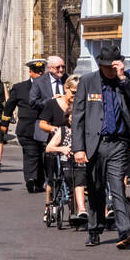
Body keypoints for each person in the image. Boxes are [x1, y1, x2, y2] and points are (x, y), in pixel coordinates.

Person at [72, 47, 130, 249]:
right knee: (96, 189)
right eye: (109, 66)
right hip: (94, 144)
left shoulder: (124, 82)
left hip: (118, 143)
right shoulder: (88, 82)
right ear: (101, 65)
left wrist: (123, 78)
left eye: (115, 65)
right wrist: (78, 148)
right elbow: (78, 116)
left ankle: (125, 232)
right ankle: (95, 230)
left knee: (118, 188)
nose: (112, 69)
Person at [44, 75, 88, 226]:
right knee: (57, 178)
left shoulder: (84, 128)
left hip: (81, 163)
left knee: (81, 174)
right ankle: (49, 206)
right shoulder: (62, 128)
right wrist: (62, 148)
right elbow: (48, 146)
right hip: (65, 161)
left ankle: (85, 209)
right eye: (74, 92)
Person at [3, 58, 47, 192]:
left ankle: (40, 181)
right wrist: (4, 123)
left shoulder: (49, 86)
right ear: (30, 72)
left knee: (42, 155)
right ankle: (31, 180)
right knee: (31, 154)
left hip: (45, 128)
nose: (39, 73)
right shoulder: (20, 87)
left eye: (41, 71)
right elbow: (9, 106)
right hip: (26, 129)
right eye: (36, 71)